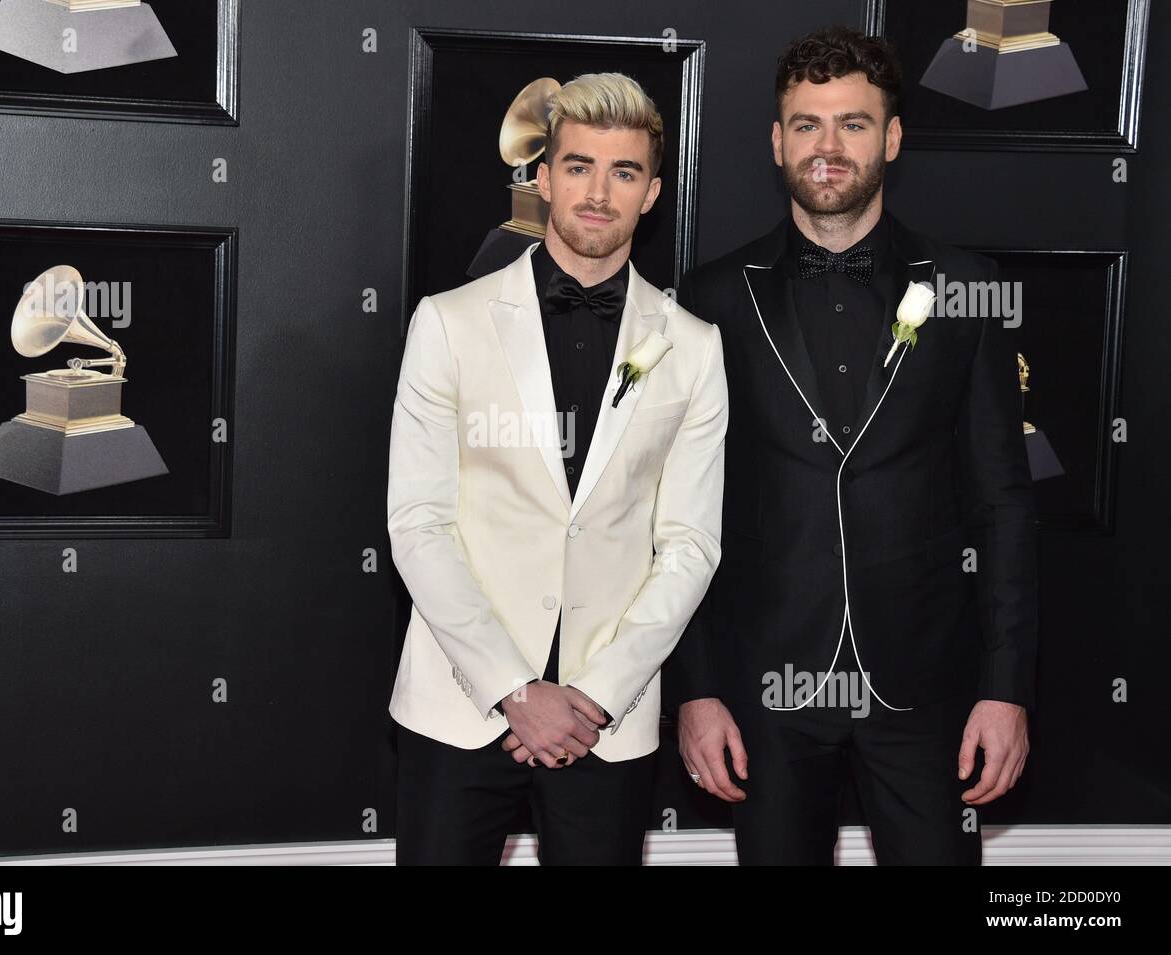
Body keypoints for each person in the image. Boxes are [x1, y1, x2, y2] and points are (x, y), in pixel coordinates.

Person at [667, 26, 1037, 865]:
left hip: (925, 694)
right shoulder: (712, 297)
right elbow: (679, 512)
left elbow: (1002, 504)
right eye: (806, 124)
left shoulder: (964, 289)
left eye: (853, 124)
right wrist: (698, 692)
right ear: (776, 139)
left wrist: (1005, 689)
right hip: (765, 692)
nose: (827, 147)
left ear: (892, 137)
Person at [387, 72, 728, 864]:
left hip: (604, 721)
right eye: (578, 167)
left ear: (652, 193)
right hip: (458, 705)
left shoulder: (694, 346)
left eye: (625, 172)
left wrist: (595, 696)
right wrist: (514, 688)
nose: (599, 193)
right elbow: (418, 524)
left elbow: (690, 544)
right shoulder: (448, 322)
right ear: (542, 180)